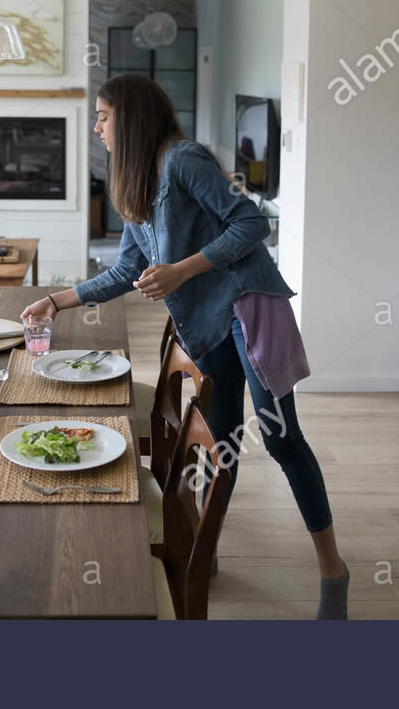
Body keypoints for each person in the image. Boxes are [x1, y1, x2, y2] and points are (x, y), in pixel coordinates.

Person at [22, 74, 349, 619]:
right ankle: (208, 548)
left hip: (248, 306)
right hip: (208, 324)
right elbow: (128, 268)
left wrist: (182, 270)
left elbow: (253, 223)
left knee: (282, 440)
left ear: (129, 118)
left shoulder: (183, 161)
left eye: (103, 115)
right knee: (221, 443)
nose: (97, 126)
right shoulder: (137, 178)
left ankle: (334, 574)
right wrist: (56, 301)